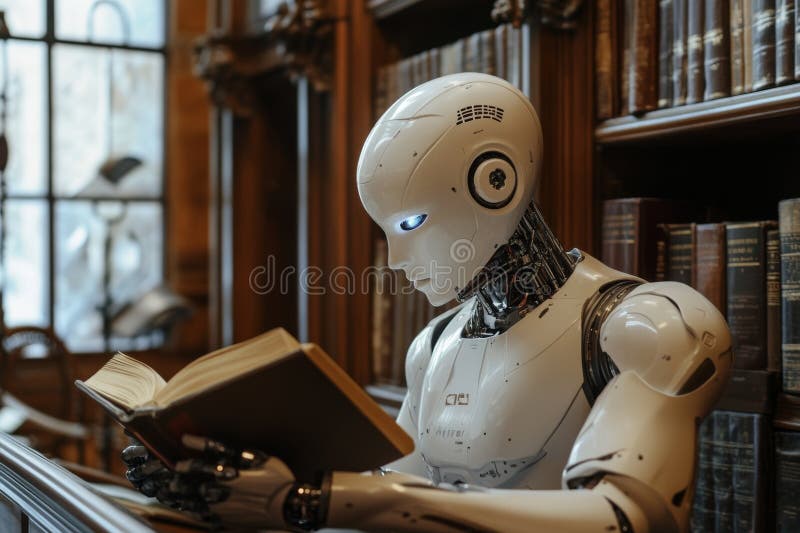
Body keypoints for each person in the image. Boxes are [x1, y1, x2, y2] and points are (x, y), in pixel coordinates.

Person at [124, 73, 731, 532]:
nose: (394, 260)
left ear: (496, 182)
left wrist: (329, 499)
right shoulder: (434, 345)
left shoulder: (642, 328)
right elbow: (396, 484)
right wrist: (229, 479)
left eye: (412, 221)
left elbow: (626, 515)